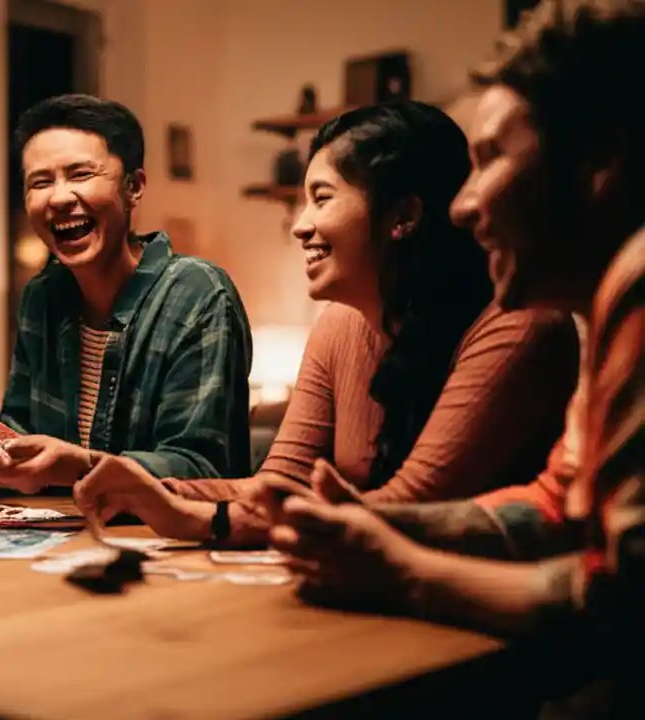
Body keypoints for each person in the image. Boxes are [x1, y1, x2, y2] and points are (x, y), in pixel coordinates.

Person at [262, 3, 644, 714]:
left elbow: (623, 609)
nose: (464, 206)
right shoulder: (604, 305)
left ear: (600, 166)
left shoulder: (637, 288)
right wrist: (383, 525)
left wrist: (403, 571)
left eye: (493, 159)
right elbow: (554, 506)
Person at [73, 102, 579, 545]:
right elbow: (277, 484)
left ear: (402, 215)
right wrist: (143, 489)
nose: (300, 224)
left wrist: (199, 519)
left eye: (322, 197)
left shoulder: (516, 328)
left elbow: (406, 508)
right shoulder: (339, 324)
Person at [0, 94, 254, 492]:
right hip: (63, 534)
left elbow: (202, 466)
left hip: (170, 544)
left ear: (133, 187)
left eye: (80, 174)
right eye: (40, 182)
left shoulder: (197, 294)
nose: (59, 197)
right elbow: (25, 434)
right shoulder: (43, 296)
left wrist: (80, 466)